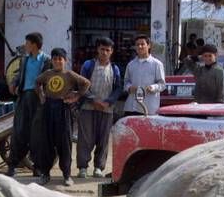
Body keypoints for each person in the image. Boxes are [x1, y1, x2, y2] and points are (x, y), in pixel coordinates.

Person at [31, 47, 89, 187]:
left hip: (63, 109)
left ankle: (67, 175)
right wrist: (41, 95)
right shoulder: (48, 73)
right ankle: (45, 173)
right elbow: (37, 82)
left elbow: (86, 83)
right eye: (55, 59)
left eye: (60, 59)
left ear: (65, 60)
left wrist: (76, 96)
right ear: (52, 60)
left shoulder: (69, 74)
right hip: (48, 109)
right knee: (46, 142)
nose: (57, 61)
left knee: (65, 143)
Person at [6, 32, 50, 177]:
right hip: (24, 97)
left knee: (37, 134)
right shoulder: (24, 60)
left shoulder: (46, 60)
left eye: (27, 43)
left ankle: (37, 167)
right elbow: (20, 75)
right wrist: (14, 83)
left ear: (34, 45)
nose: (25, 46)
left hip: (38, 99)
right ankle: (12, 165)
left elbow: (48, 79)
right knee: (19, 132)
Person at [77, 36, 121, 178]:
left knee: (103, 139)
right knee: (85, 138)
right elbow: (81, 85)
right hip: (88, 108)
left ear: (111, 51)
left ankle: (98, 168)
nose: (104, 52)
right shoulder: (88, 65)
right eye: (102, 49)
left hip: (107, 109)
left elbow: (118, 88)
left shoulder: (115, 69)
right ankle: (83, 167)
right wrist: (93, 100)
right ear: (97, 49)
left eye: (107, 50)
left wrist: (108, 102)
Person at [124, 35, 165, 117]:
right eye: (137, 44)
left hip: (149, 108)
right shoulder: (131, 64)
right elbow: (126, 81)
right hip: (132, 107)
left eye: (142, 44)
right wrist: (129, 87)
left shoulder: (156, 64)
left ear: (149, 45)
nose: (140, 46)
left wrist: (153, 87)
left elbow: (162, 84)